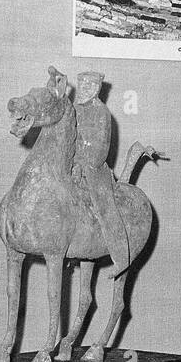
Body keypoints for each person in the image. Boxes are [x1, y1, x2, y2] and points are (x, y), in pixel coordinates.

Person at [71, 71, 129, 263]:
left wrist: (84, 164)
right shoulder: (74, 109)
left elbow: (101, 147)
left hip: (93, 168)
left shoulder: (102, 112)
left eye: (89, 85)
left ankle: (119, 253)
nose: (84, 89)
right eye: (82, 84)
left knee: (105, 205)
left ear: (96, 88)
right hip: (70, 163)